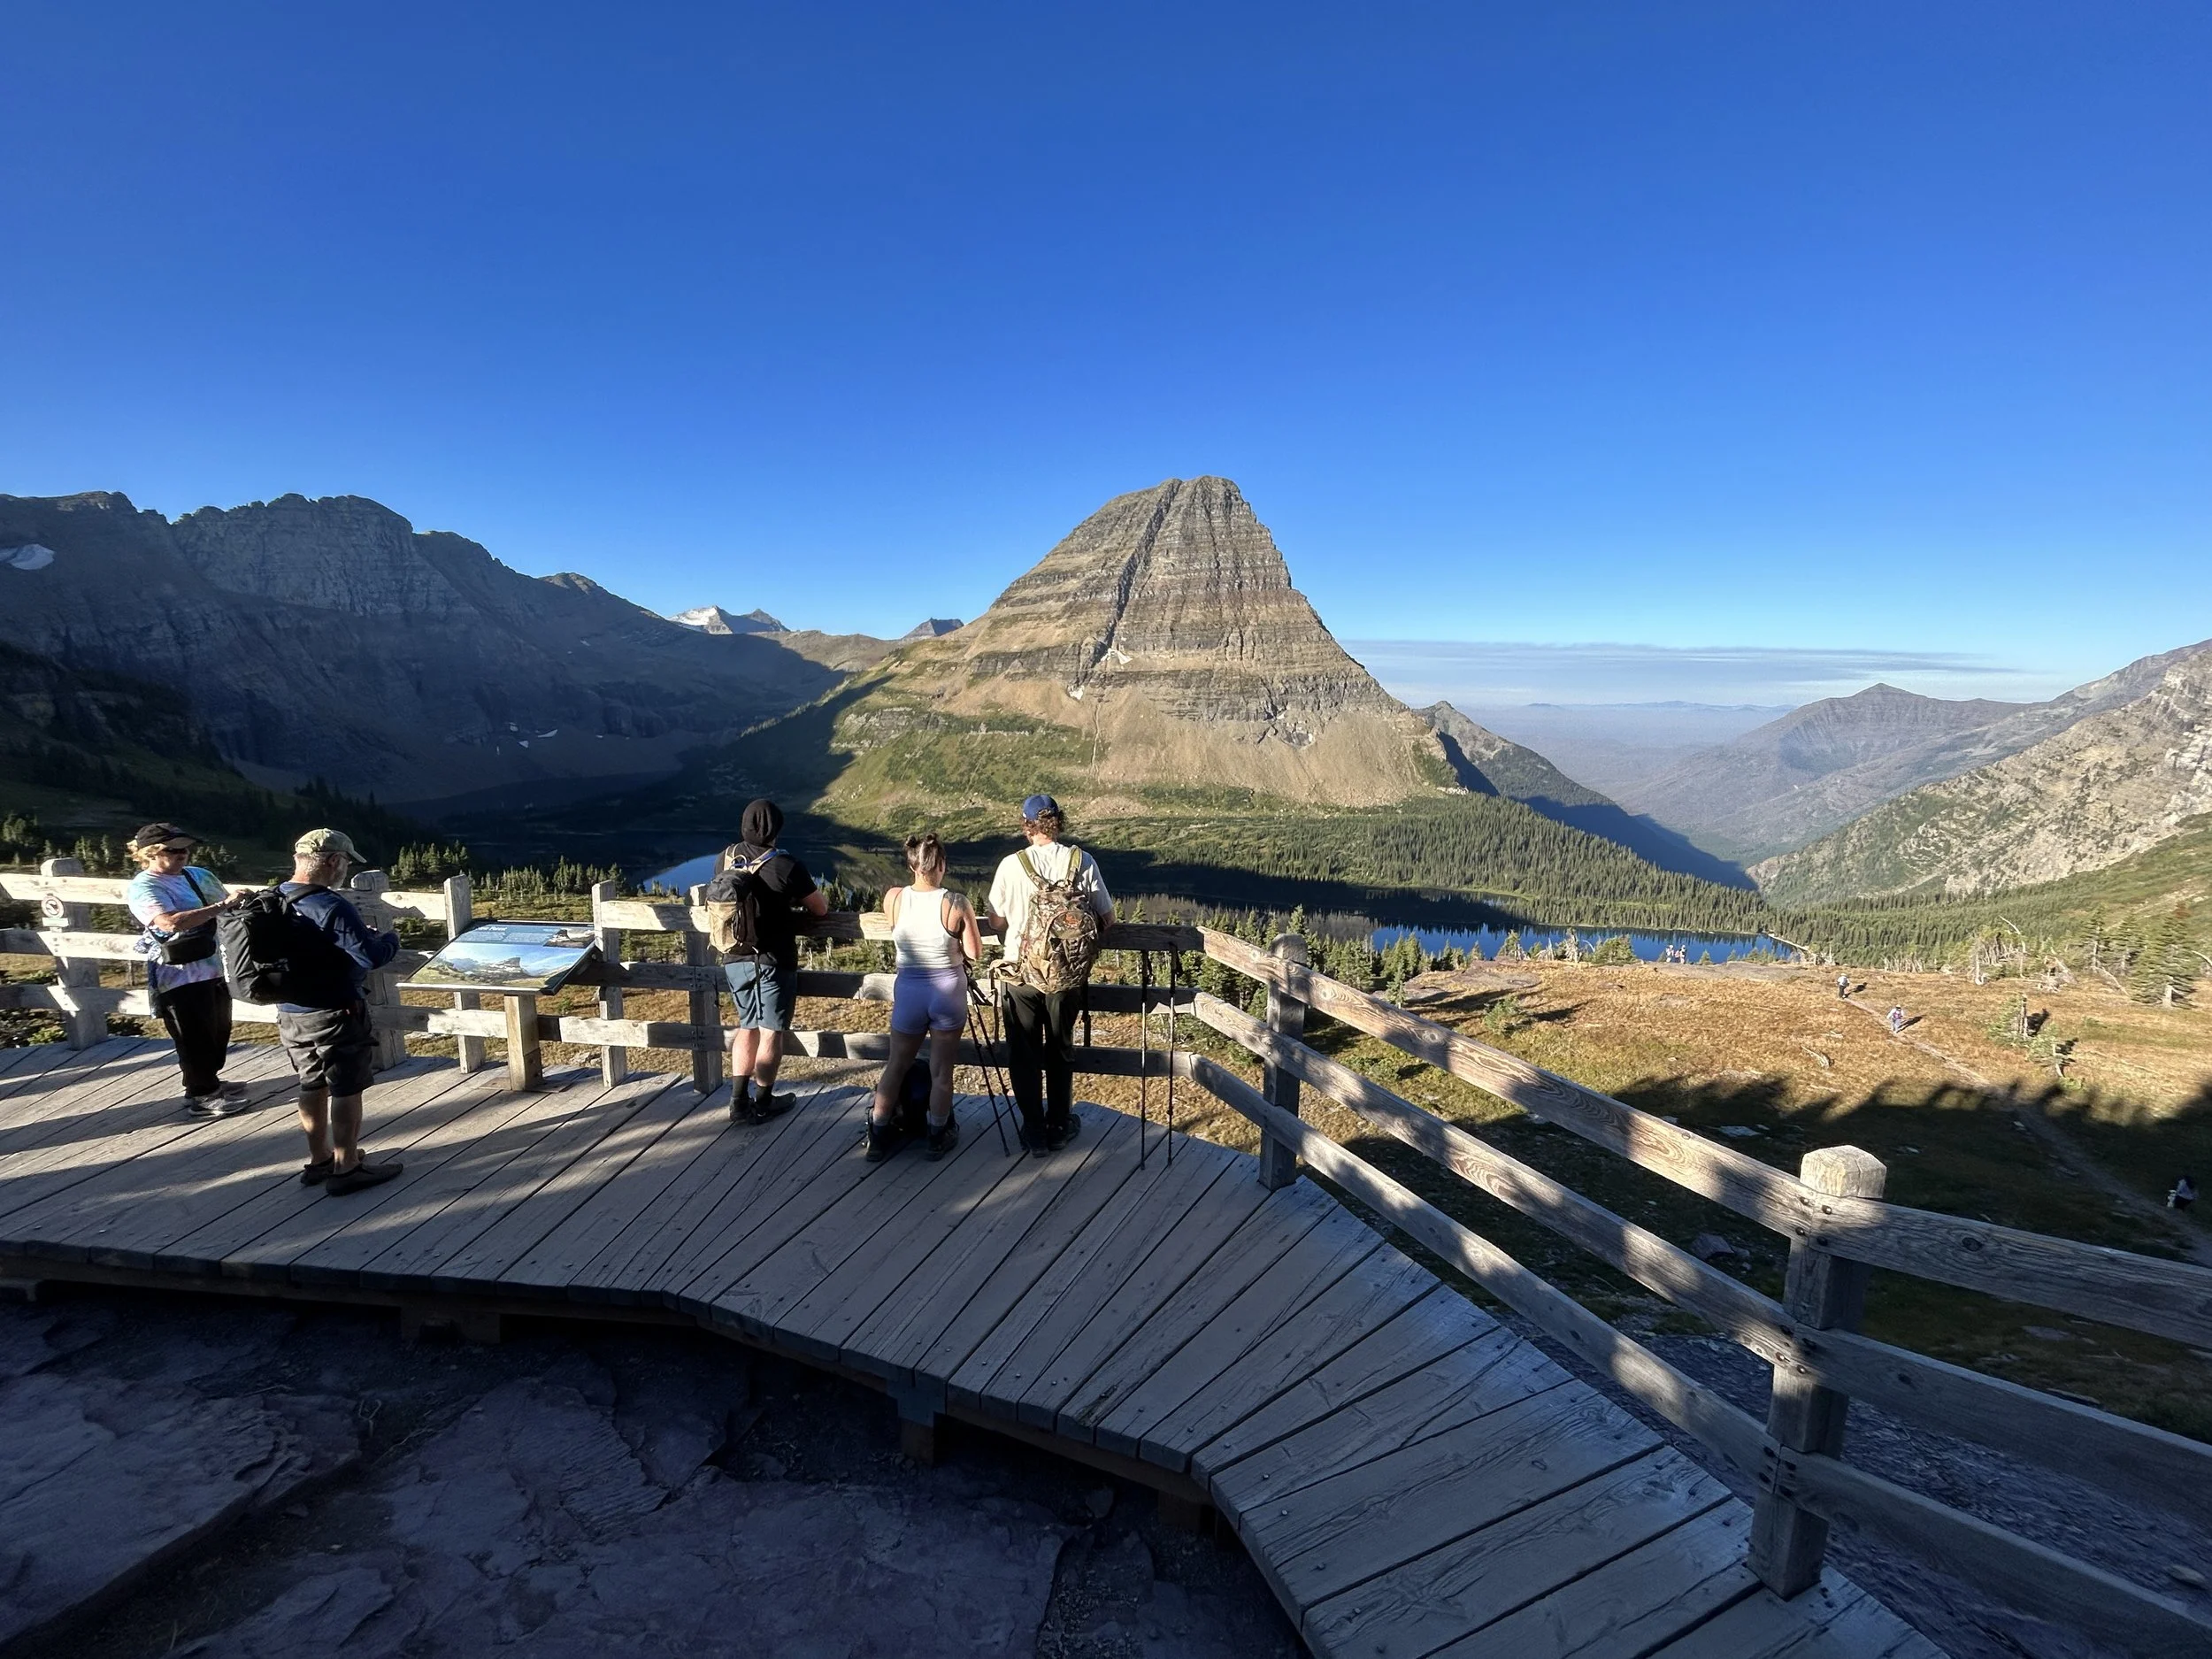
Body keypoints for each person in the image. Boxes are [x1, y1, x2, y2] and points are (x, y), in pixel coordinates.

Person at [276, 829, 403, 1195]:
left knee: (310, 1082)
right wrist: (389, 939)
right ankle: (347, 1166)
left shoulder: (275, 899)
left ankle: (318, 1160)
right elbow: (370, 956)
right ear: (333, 861)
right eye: (346, 862)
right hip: (336, 1008)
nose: (345, 869)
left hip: (291, 1010)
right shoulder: (331, 905)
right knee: (346, 1086)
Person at [984, 794, 1112, 1154]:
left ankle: (1033, 1130)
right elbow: (1108, 918)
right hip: (1066, 977)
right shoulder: (1082, 861)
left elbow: (996, 920)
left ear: (1027, 826)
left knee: (1023, 1053)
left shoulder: (1013, 864)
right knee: (1060, 1048)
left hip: (1021, 975)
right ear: (1058, 822)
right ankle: (1059, 1123)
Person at [866, 833, 984, 1163]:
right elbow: (974, 952)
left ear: (911, 864)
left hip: (909, 991)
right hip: (947, 992)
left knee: (896, 1065)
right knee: (941, 1070)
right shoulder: (957, 903)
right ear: (942, 865)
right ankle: (937, 1134)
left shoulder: (894, 898)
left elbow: (897, 933)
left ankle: (878, 1134)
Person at [125, 823, 250, 1116]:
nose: (182, 854)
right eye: (173, 850)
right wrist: (221, 906)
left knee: (218, 1028)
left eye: (185, 849)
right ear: (150, 853)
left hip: (214, 965)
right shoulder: (145, 886)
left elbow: (228, 909)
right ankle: (201, 1093)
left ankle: (209, 1080)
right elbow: (169, 922)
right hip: (177, 973)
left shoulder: (200, 875)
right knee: (193, 1034)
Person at [717, 798, 828, 1123]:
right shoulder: (785, 865)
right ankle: (764, 1101)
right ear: (776, 829)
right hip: (773, 959)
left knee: (746, 1027)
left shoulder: (725, 858)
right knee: (770, 1032)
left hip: (734, 956)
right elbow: (820, 908)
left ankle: (738, 1102)